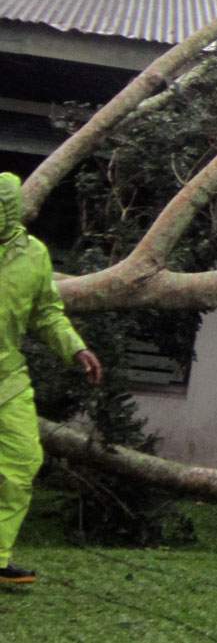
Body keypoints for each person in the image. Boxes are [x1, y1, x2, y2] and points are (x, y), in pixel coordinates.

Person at [0, 172, 102, 585]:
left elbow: (46, 313)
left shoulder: (34, 255)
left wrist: (75, 348)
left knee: (23, 461)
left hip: (7, 381)